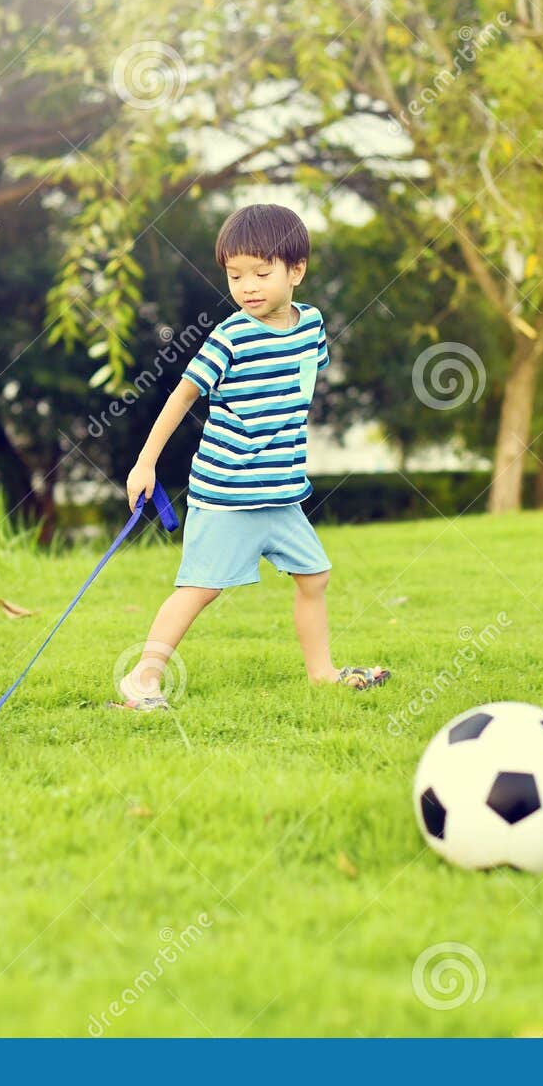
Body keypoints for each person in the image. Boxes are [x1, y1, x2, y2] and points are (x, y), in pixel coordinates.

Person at [108, 203, 390, 711]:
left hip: (280, 494)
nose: (247, 287)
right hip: (228, 493)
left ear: (296, 270)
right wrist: (145, 462)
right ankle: (142, 680)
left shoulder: (311, 325)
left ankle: (322, 675)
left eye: (261, 273)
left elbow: (300, 385)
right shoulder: (231, 336)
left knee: (314, 576)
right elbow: (183, 396)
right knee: (200, 588)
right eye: (235, 276)